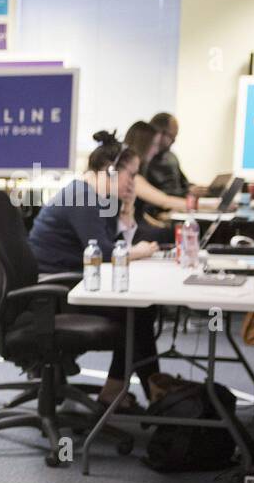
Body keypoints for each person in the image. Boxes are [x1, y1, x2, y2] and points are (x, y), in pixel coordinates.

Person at [27, 130, 160, 408]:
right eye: (131, 175)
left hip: (72, 284)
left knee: (142, 311)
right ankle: (144, 392)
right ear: (109, 170)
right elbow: (108, 253)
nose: (134, 183)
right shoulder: (82, 198)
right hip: (54, 294)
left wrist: (127, 209)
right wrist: (141, 251)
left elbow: (110, 244)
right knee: (139, 313)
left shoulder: (94, 196)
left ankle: (149, 391)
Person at [145, 113, 209, 200]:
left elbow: (184, 184)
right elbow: (154, 195)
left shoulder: (172, 157)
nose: (173, 141)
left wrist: (198, 189)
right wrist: (187, 192)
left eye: (175, 136)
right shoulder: (144, 161)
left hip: (178, 206)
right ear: (158, 132)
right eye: (171, 136)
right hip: (160, 208)